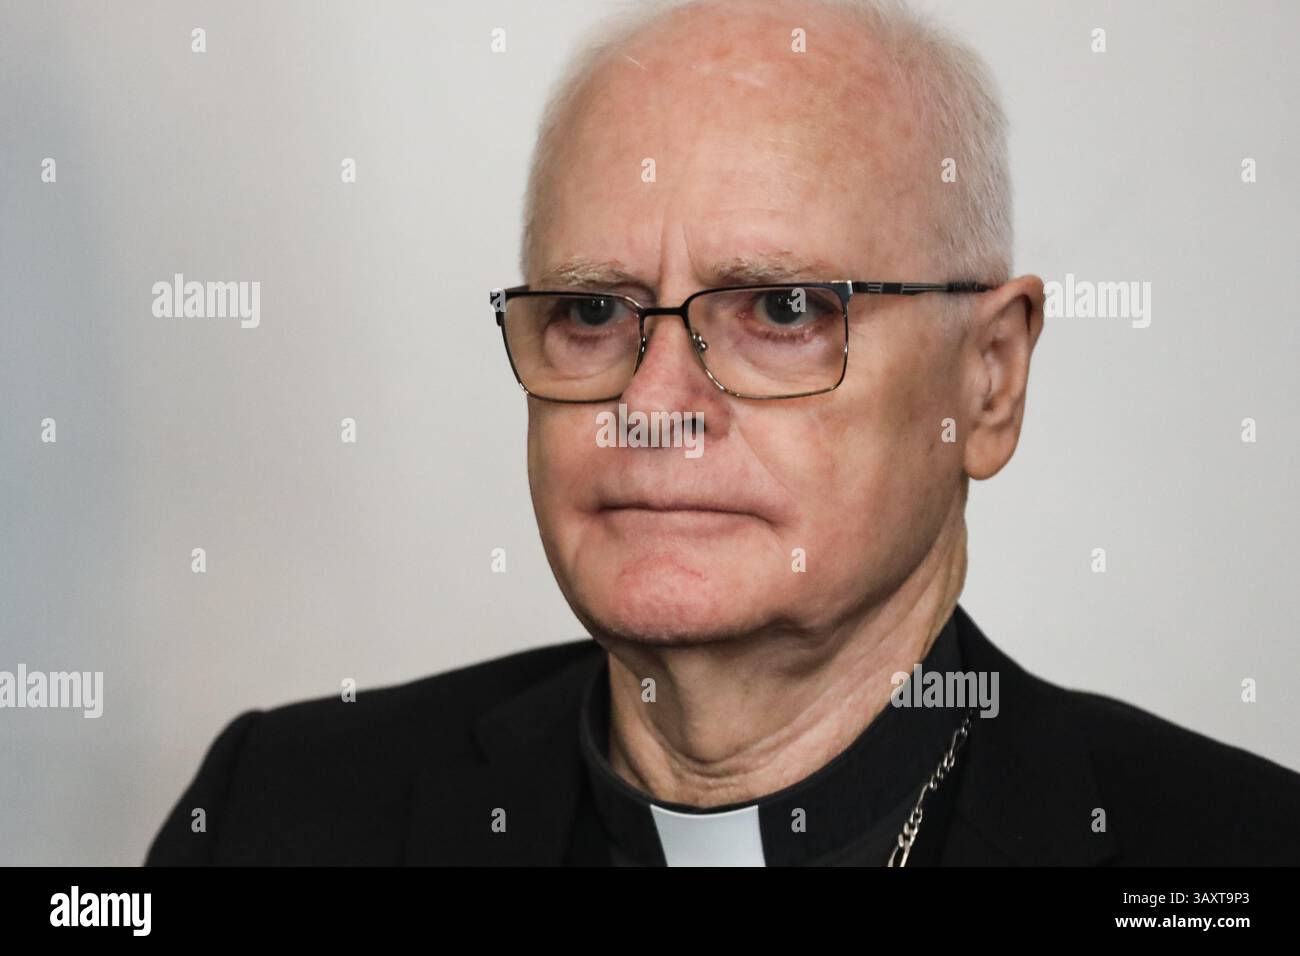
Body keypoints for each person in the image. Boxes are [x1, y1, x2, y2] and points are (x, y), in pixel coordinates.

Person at [146, 0, 1300, 866]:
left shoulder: (1233, 854)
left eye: (782, 309)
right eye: (593, 311)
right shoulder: (275, 813)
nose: (651, 407)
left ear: (987, 382)